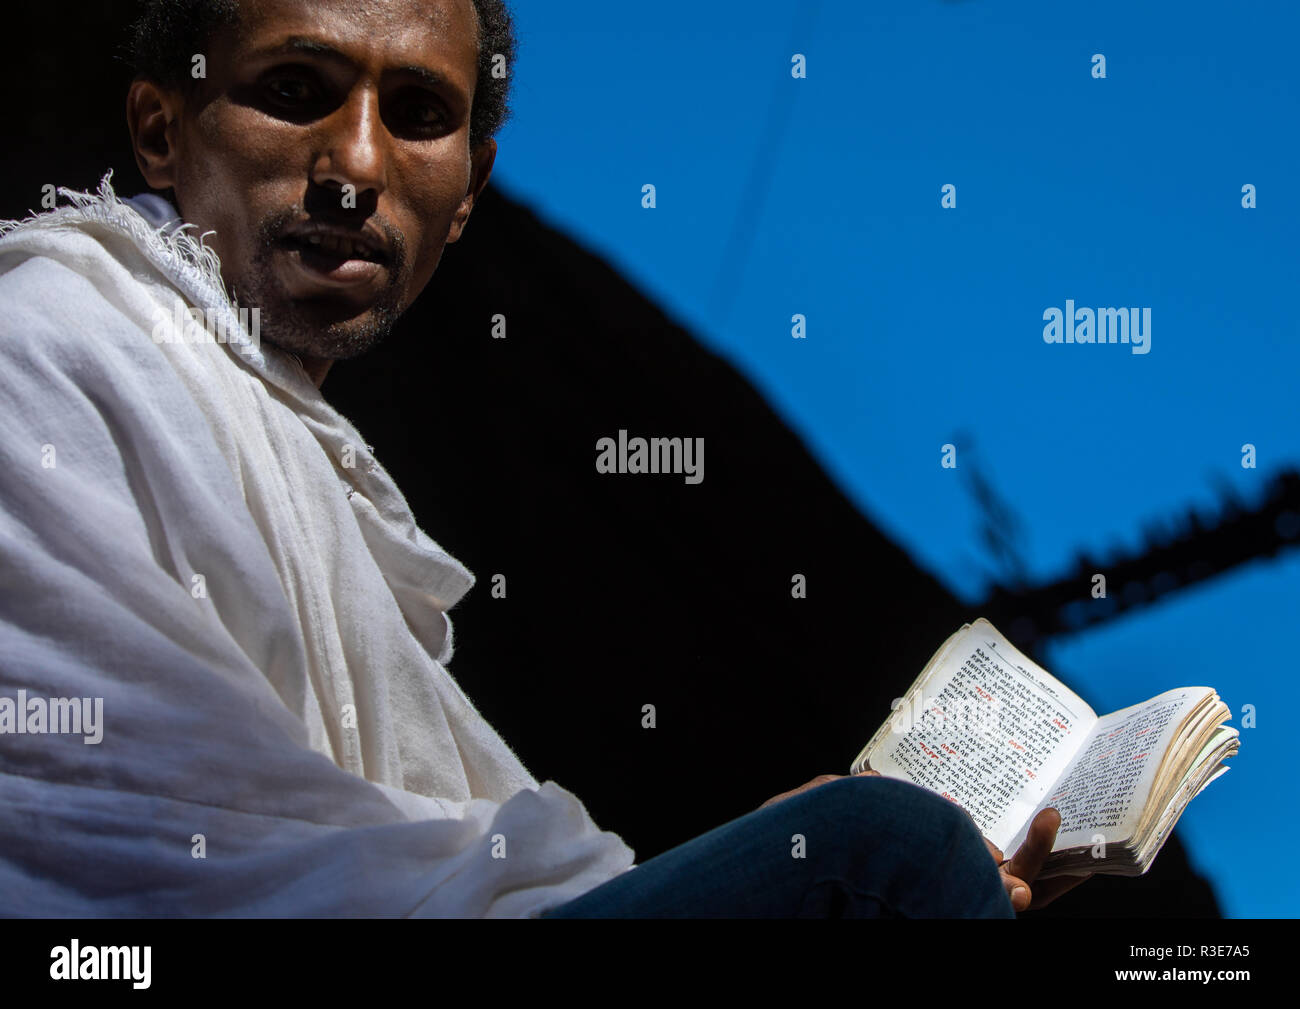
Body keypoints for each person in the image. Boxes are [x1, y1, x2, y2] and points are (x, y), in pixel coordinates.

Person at [0, 0, 1088, 917]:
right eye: (295, 89)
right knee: (891, 848)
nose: (357, 164)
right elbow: (142, 825)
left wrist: (765, 857)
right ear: (160, 130)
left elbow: (426, 858)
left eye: (419, 115)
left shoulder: (308, 456)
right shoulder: (49, 341)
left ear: (467, 192)